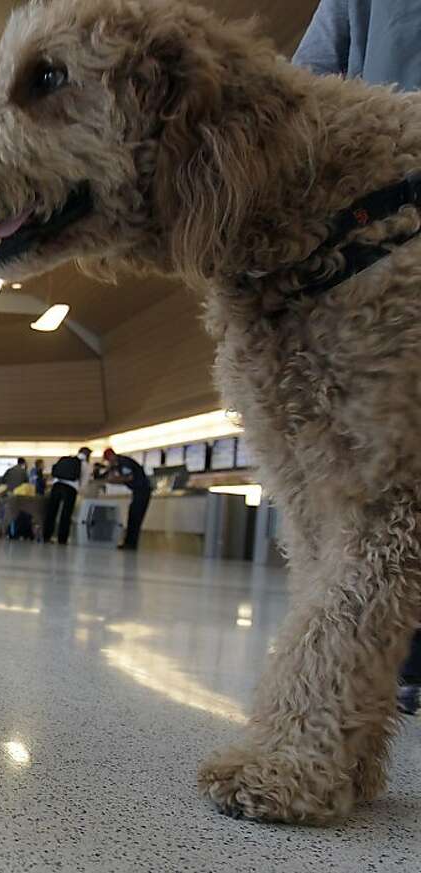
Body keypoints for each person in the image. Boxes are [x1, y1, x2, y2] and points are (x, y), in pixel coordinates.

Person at [294, 0, 421, 717]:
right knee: (383, 484)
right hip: (386, 231)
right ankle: (379, 663)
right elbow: (304, 92)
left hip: (385, 235)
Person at [104, 447, 152, 551]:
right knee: (132, 516)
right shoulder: (118, 464)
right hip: (137, 491)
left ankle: (131, 544)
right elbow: (109, 477)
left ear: (112, 456)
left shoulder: (124, 462)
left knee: (135, 517)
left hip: (142, 490)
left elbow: (129, 477)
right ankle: (129, 543)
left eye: (109, 459)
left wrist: (114, 480)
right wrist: (111, 470)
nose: (109, 462)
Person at [43, 447, 91, 546]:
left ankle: (46, 536)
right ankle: (62, 539)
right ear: (88, 454)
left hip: (56, 485)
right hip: (70, 488)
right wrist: (80, 491)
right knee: (66, 514)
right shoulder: (85, 465)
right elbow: (84, 482)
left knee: (51, 511)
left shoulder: (67, 460)